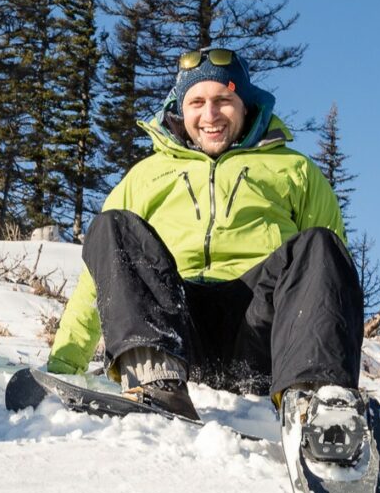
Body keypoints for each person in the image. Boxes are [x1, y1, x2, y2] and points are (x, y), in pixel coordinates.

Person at [47, 47, 359, 420]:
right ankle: (155, 382)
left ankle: (316, 405)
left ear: (245, 105)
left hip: (262, 334)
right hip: (175, 331)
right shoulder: (146, 175)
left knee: (321, 244)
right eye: (196, 101)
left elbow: (331, 280)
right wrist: (63, 366)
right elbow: (99, 279)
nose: (210, 115)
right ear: (181, 108)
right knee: (113, 225)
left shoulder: (295, 170)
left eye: (223, 100)